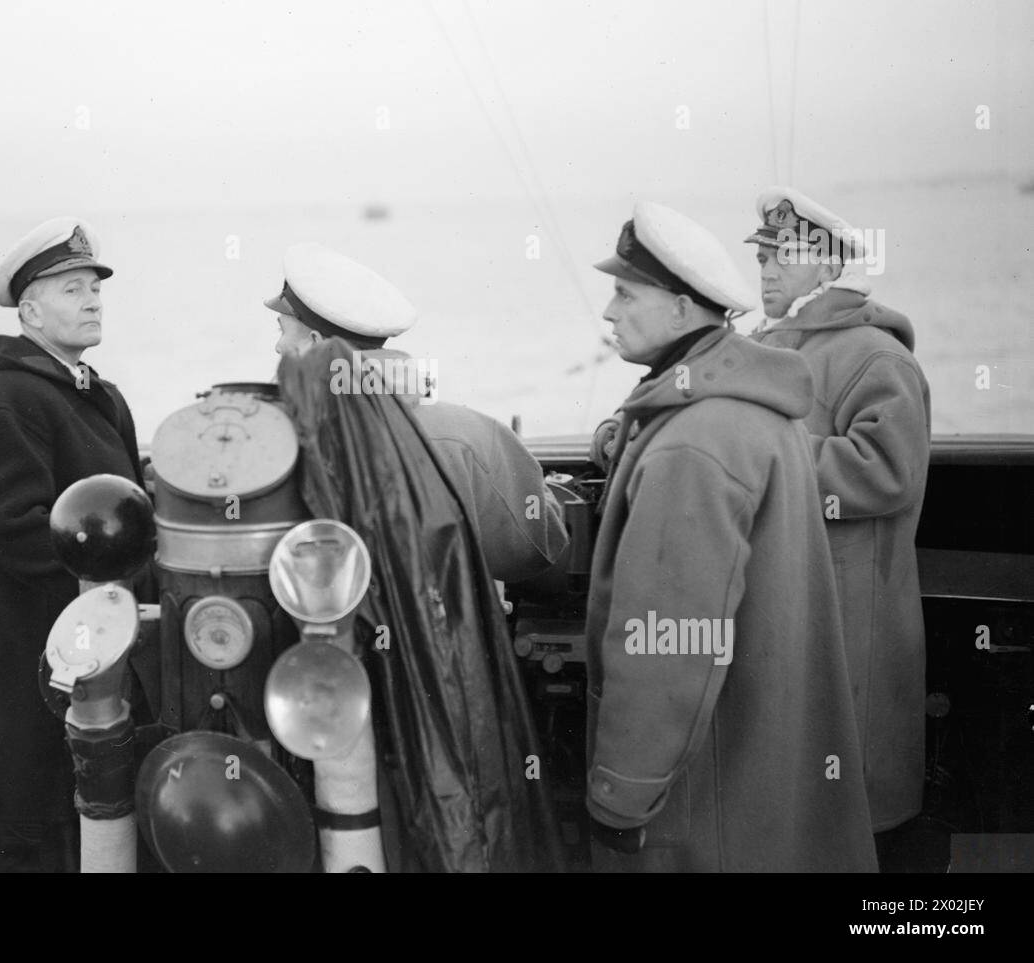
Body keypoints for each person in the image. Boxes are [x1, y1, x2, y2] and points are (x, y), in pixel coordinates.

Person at [584, 200, 877, 872]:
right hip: (757, 769)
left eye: (626, 294)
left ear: (683, 312)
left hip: (701, 798)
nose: (608, 312)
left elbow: (667, 646)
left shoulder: (693, 445)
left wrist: (619, 797)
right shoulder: (752, 409)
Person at [0, 217, 146, 872]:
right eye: (72, 289)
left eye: (95, 288)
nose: (92, 300)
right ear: (29, 309)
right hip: (47, 652)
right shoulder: (5, 397)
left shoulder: (95, 392)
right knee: (61, 821)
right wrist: (113, 578)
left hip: (104, 641)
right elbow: (13, 531)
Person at [745, 186, 930, 852]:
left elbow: (888, 470)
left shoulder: (876, 357)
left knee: (851, 810)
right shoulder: (769, 348)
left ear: (828, 265)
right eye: (762, 256)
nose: (764, 268)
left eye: (782, 255)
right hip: (795, 609)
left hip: (854, 623)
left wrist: (762, 451)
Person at [265, 241, 568, 584]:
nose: (278, 346)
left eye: (282, 330)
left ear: (317, 343)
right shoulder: (471, 436)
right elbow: (534, 551)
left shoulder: (272, 439)